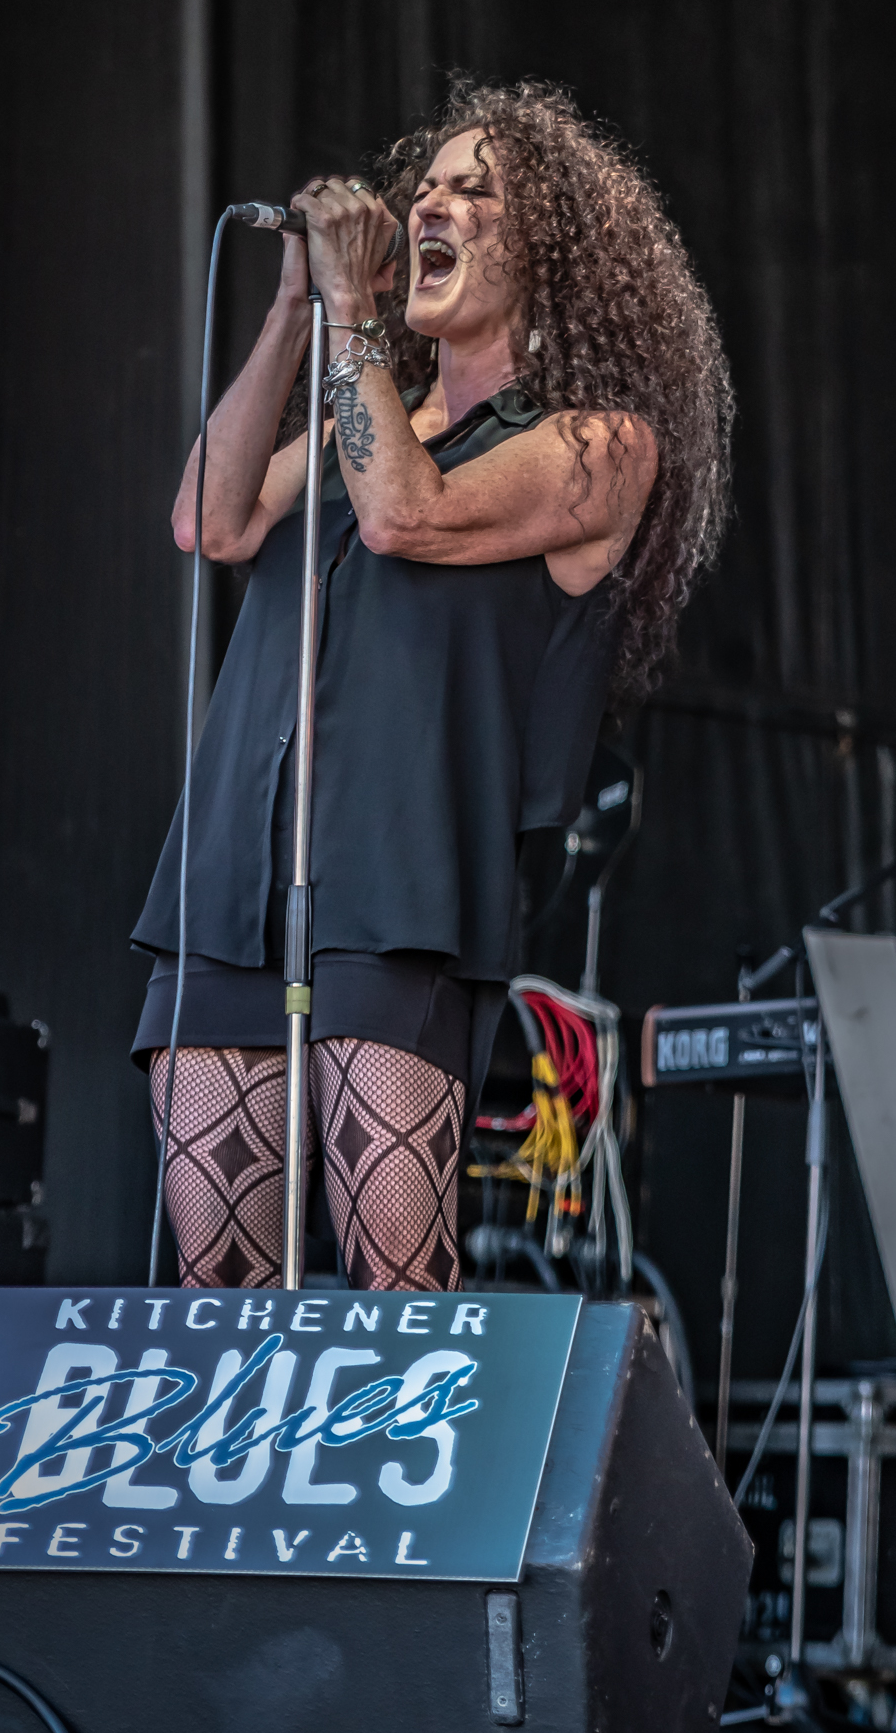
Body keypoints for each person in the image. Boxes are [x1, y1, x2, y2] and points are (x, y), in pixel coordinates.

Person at [131, 79, 732, 1292]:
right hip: (236, 867)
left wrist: (354, 311)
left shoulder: (598, 445)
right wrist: (298, 308)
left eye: (475, 190)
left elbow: (407, 515)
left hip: (399, 883)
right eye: (429, 186)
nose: (430, 205)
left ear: (549, 253)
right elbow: (210, 518)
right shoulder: (357, 423)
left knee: (397, 1290)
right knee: (216, 1289)